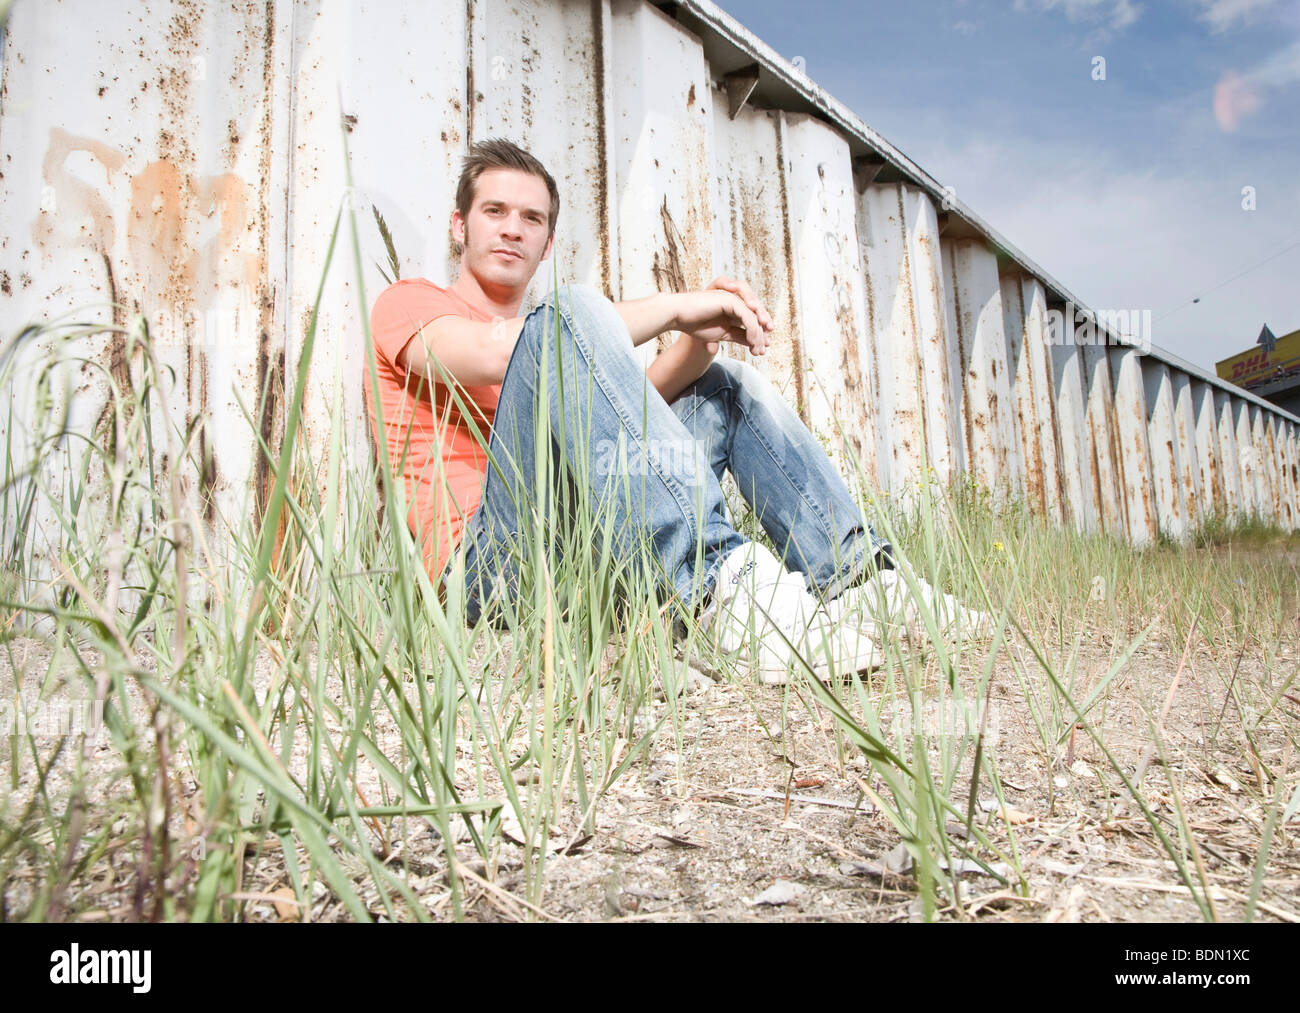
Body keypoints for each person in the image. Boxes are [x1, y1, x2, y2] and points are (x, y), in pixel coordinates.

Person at [366, 139, 985, 685]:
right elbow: (498, 350)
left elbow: (627, 418)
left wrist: (698, 336)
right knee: (564, 317)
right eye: (494, 212)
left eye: (531, 218)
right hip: (482, 569)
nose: (512, 229)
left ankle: (858, 582)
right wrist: (678, 304)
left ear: (548, 241)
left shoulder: (561, 335)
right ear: (459, 225)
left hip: (580, 550)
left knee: (723, 387)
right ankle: (720, 594)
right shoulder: (411, 304)